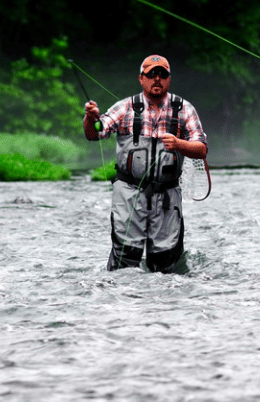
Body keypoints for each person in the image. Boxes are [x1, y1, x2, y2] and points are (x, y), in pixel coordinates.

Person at [83, 55, 208, 273]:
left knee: (167, 263)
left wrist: (180, 144)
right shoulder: (124, 108)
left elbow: (202, 149)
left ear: (169, 80)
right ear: (141, 79)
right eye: (151, 74)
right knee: (125, 259)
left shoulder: (184, 109)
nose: (157, 79)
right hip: (129, 194)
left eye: (162, 75)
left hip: (168, 197)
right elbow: (95, 133)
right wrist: (89, 118)